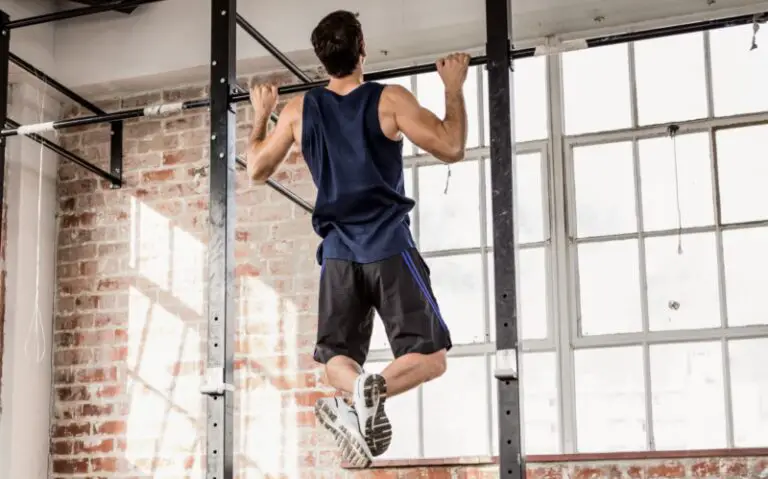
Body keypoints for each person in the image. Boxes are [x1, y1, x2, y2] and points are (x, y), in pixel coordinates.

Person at [245, 10, 470, 468]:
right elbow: (451, 146)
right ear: (362, 49)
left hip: (338, 256)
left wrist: (261, 115)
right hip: (388, 244)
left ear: (323, 61)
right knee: (431, 357)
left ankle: (354, 397)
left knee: (336, 362)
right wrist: (453, 87)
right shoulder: (389, 100)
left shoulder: (299, 110)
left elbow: (255, 168)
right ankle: (373, 391)